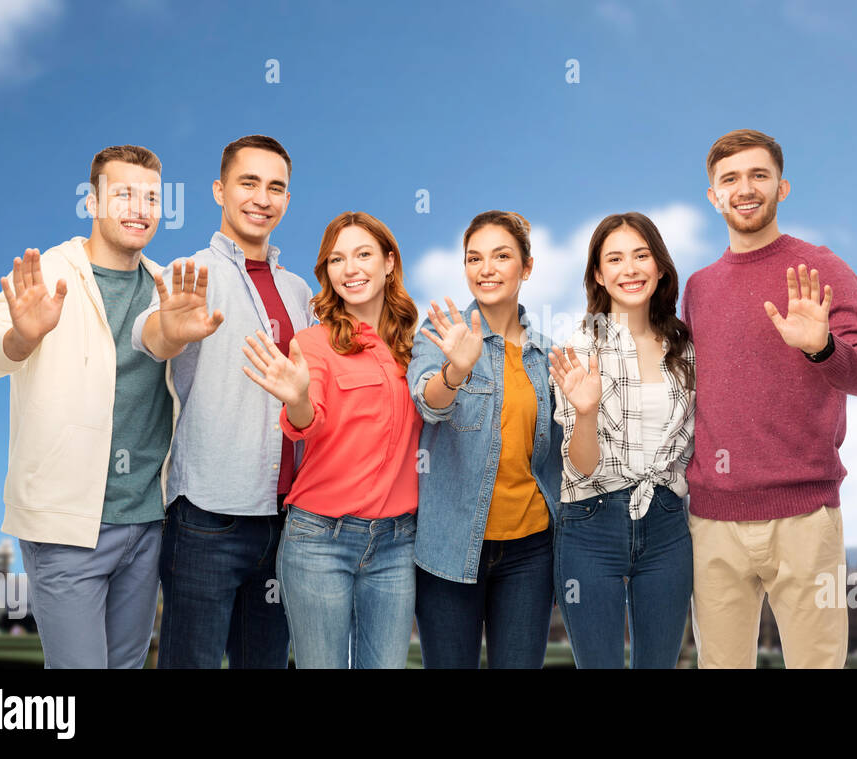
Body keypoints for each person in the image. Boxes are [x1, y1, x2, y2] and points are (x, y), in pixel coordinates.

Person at [0, 145, 176, 668]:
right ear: (91, 201)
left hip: (147, 522)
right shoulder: (49, 272)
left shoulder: (167, 286)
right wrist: (21, 337)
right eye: (124, 193)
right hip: (66, 529)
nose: (139, 208)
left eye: (151, 197)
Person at [683, 129, 857, 668]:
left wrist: (822, 348)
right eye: (730, 179)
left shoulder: (825, 270)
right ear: (713, 196)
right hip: (712, 519)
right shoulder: (697, 288)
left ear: (782, 187)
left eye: (758, 175)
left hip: (805, 518)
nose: (744, 189)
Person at [131, 135, 314, 669]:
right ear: (219, 190)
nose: (262, 197)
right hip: (207, 519)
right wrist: (170, 330)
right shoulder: (191, 273)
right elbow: (150, 336)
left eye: (276, 187)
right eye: (248, 183)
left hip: (285, 520)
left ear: (287, 199)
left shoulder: (300, 291)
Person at [241, 212, 422, 668]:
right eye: (337, 259)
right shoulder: (314, 342)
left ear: (389, 262)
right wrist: (297, 398)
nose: (351, 268)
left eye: (363, 254)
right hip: (319, 539)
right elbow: (308, 420)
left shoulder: (416, 347)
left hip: (397, 543)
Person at [408, 210, 563, 668]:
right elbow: (430, 404)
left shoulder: (546, 355)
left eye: (501, 256)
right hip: (449, 545)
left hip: (530, 550)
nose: (486, 269)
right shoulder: (440, 333)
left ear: (527, 267)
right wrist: (456, 369)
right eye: (474, 258)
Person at [548, 212, 696, 668]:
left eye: (641, 255)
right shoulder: (578, 346)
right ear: (598, 273)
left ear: (660, 267)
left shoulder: (685, 347)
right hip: (592, 524)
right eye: (614, 259)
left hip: (668, 525)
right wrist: (586, 412)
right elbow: (581, 467)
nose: (629, 269)